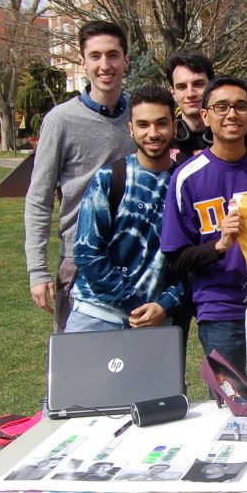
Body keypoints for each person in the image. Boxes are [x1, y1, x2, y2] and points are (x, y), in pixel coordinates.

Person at [162, 76, 247, 373]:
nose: (232, 114)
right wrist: (219, 246)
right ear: (205, 116)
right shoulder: (186, 177)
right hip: (220, 308)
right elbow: (176, 257)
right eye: (221, 107)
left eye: (241, 106)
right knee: (233, 399)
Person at [24, 20, 134, 332]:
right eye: (96, 56)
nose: (105, 65)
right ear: (82, 62)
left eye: (113, 55)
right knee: (79, 370)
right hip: (80, 262)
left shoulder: (141, 118)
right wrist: (38, 271)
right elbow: (39, 199)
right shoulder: (60, 121)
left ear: (126, 60)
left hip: (136, 258)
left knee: (141, 369)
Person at [65, 86, 185, 332]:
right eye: (143, 125)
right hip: (96, 314)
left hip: (155, 321)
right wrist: (133, 303)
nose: (153, 133)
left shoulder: (187, 183)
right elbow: (87, 253)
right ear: (131, 130)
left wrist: (165, 305)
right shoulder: (109, 178)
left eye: (161, 124)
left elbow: (192, 261)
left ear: (174, 126)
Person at [165, 49, 216, 163]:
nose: (190, 94)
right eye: (182, 87)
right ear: (173, 93)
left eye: (198, 84)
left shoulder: (232, 136)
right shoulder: (163, 141)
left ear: (212, 86)